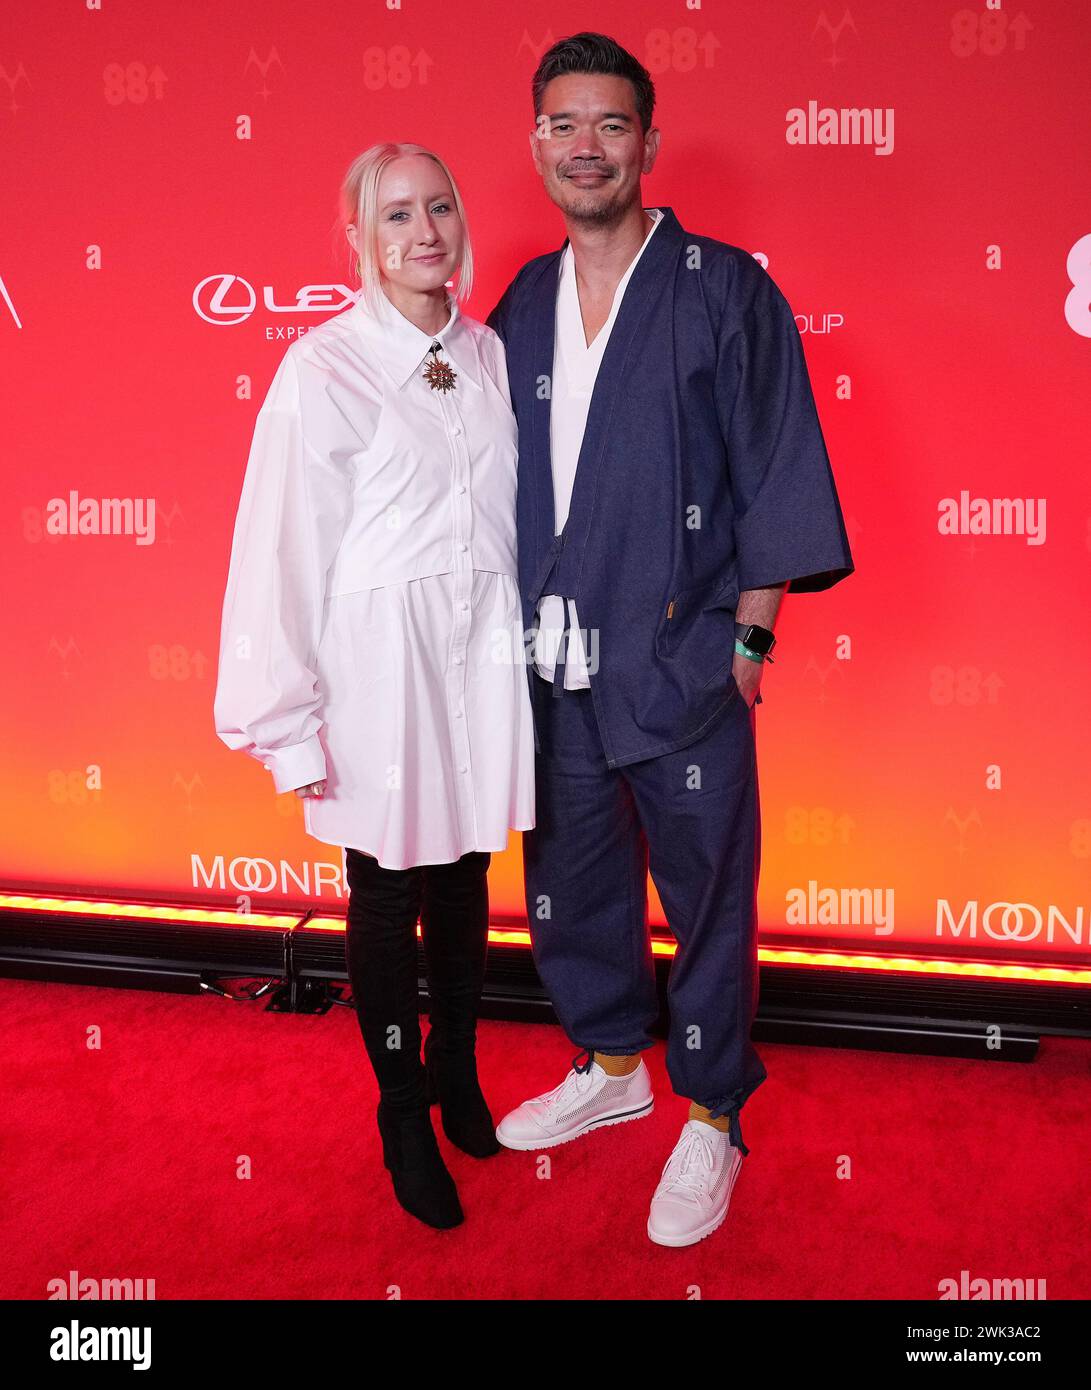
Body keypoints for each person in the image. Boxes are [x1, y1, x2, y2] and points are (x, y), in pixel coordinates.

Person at [486, 34, 855, 1247]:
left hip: (682, 657)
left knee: (704, 897)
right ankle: (610, 1064)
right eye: (562, 125)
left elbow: (776, 463)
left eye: (607, 125)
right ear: (535, 143)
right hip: (553, 669)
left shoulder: (722, 286)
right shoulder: (522, 303)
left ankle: (710, 1114)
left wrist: (746, 643)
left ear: (646, 141)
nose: (584, 146)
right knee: (568, 882)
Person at [214, 142, 535, 1230]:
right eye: (395, 214)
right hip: (374, 674)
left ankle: (454, 1071)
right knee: (387, 886)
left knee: (462, 877)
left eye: (439, 206)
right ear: (355, 239)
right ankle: (402, 1105)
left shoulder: (489, 352)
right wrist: (288, 725)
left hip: (477, 655)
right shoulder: (322, 368)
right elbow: (280, 551)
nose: (423, 232)